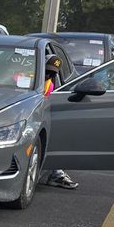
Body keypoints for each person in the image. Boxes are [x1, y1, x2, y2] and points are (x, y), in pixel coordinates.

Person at [40, 53, 79, 190]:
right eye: (47, 71)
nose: (48, 75)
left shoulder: (50, 85)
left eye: (52, 73)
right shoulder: (26, 76)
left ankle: (56, 174)